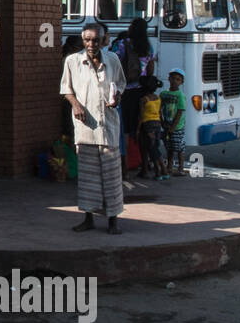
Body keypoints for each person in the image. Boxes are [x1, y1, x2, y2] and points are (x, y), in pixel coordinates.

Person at [60, 21, 127, 234]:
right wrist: (76, 104)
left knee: (111, 178)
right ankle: (88, 218)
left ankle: (112, 221)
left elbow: (121, 85)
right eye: (87, 40)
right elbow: (66, 89)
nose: (91, 44)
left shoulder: (113, 60)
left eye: (96, 40)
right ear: (83, 40)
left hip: (108, 127)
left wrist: (116, 99)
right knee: (88, 178)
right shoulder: (72, 61)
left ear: (104, 40)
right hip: (85, 128)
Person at [111, 17, 156, 172]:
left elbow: (112, 62)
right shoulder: (149, 48)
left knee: (124, 130)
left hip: (125, 91)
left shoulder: (122, 44)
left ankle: (124, 168)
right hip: (140, 91)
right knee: (140, 130)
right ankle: (144, 166)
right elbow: (150, 70)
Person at [136, 74, 168, 180]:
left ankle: (160, 171)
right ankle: (162, 170)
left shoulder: (144, 100)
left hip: (147, 125)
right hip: (157, 124)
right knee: (155, 147)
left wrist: (138, 129)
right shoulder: (158, 98)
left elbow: (141, 116)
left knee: (151, 148)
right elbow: (160, 113)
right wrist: (163, 125)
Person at [160, 68, 187, 175]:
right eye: (173, 78)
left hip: (177, 127)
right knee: (169, 147)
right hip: (166, 125)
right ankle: (169, 166)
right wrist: (162, 123)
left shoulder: (180, 95)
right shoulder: (163, 94)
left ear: (181, 82)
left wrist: (173, 127)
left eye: (178, 79)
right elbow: (159, 109)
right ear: (169, 79)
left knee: (179, 147)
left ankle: (181, 168)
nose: (175, 81)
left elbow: (180, 111)